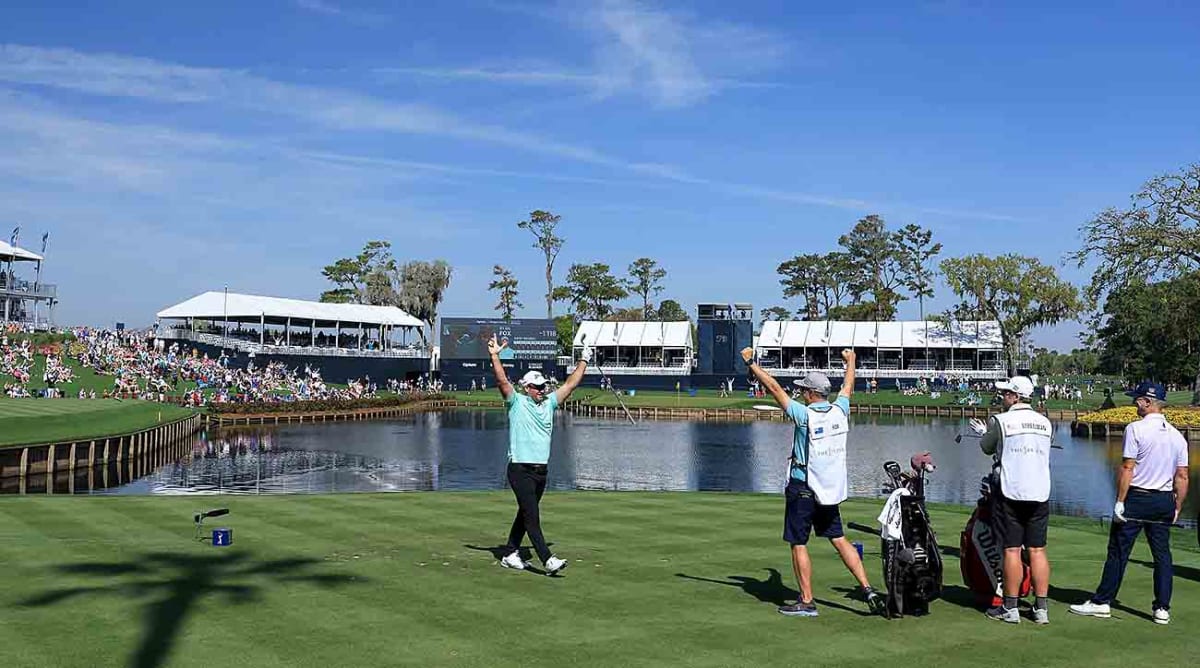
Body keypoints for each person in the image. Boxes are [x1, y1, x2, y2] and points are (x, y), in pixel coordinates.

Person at [742, 346, 884, 617]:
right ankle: (868, 588)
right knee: (840, 539)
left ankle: (807, 601)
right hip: (828, 489)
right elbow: (848, 385)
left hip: (803, 486)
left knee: (798, 543)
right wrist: (851, 361)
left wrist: (752, 363)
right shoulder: (840, 410)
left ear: (810, 393)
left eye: (803, 390)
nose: (800, 393)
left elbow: (773, 387)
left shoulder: (804, 414)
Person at [1069, 382, 1189, 625]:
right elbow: (1182, 476)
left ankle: (1103, 602)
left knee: (1118, 552)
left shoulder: (1135, 429)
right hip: (1163, 500)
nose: (1135, 403)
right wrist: (1177, 506)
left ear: (1148, 401)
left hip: (1137, 498)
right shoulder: (1178, 436)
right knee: (1162, 555)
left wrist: (1119, 502)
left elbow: (1127, 468)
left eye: (1138, 399)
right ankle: (1162, 609)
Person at [491, 334, 591, 575]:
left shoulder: (550, 403)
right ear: (526, 387)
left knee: (525, 513)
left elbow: (570, 385)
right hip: (519, 469)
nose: (541, 389)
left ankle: (510, 553)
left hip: (541, 472)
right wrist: (495, 356)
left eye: (543, 385)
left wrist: (584, 360)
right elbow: (503, 381)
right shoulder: (516, 402)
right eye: (536, 386)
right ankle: (547, 560)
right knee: (532, 517)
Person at [968, 375, 1053, 624]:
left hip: (1010, 492)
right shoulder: (1045, 422)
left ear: (1016, 397)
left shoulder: (1001, 421)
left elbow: (986, 446)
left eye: (1006, 394)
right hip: (1039, 493)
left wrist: (986, 431)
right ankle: (1041, 609)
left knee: (1012, 550)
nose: (1002, 397)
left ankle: (1011, 607)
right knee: (1037, 550)